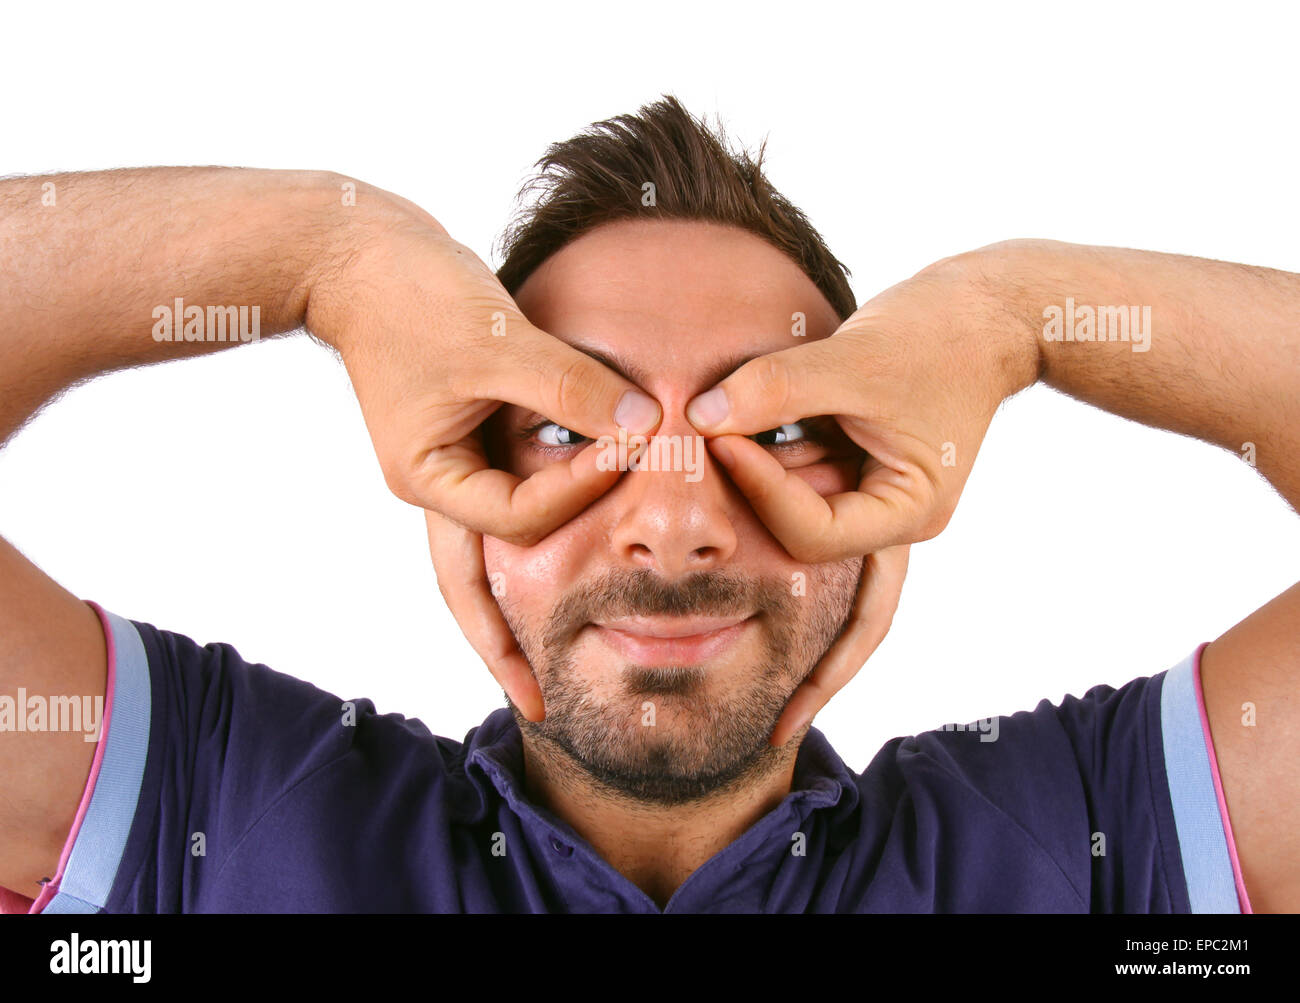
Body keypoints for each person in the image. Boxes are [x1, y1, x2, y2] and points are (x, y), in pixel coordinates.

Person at [0, 97, 1294, 913]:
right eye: (570, 427)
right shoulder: (216, 817)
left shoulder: (1095, 845)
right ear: (460, 494)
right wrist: (321, 254)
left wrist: (1016, 314)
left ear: (883, 492)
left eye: (778, 427)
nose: (671, 522)